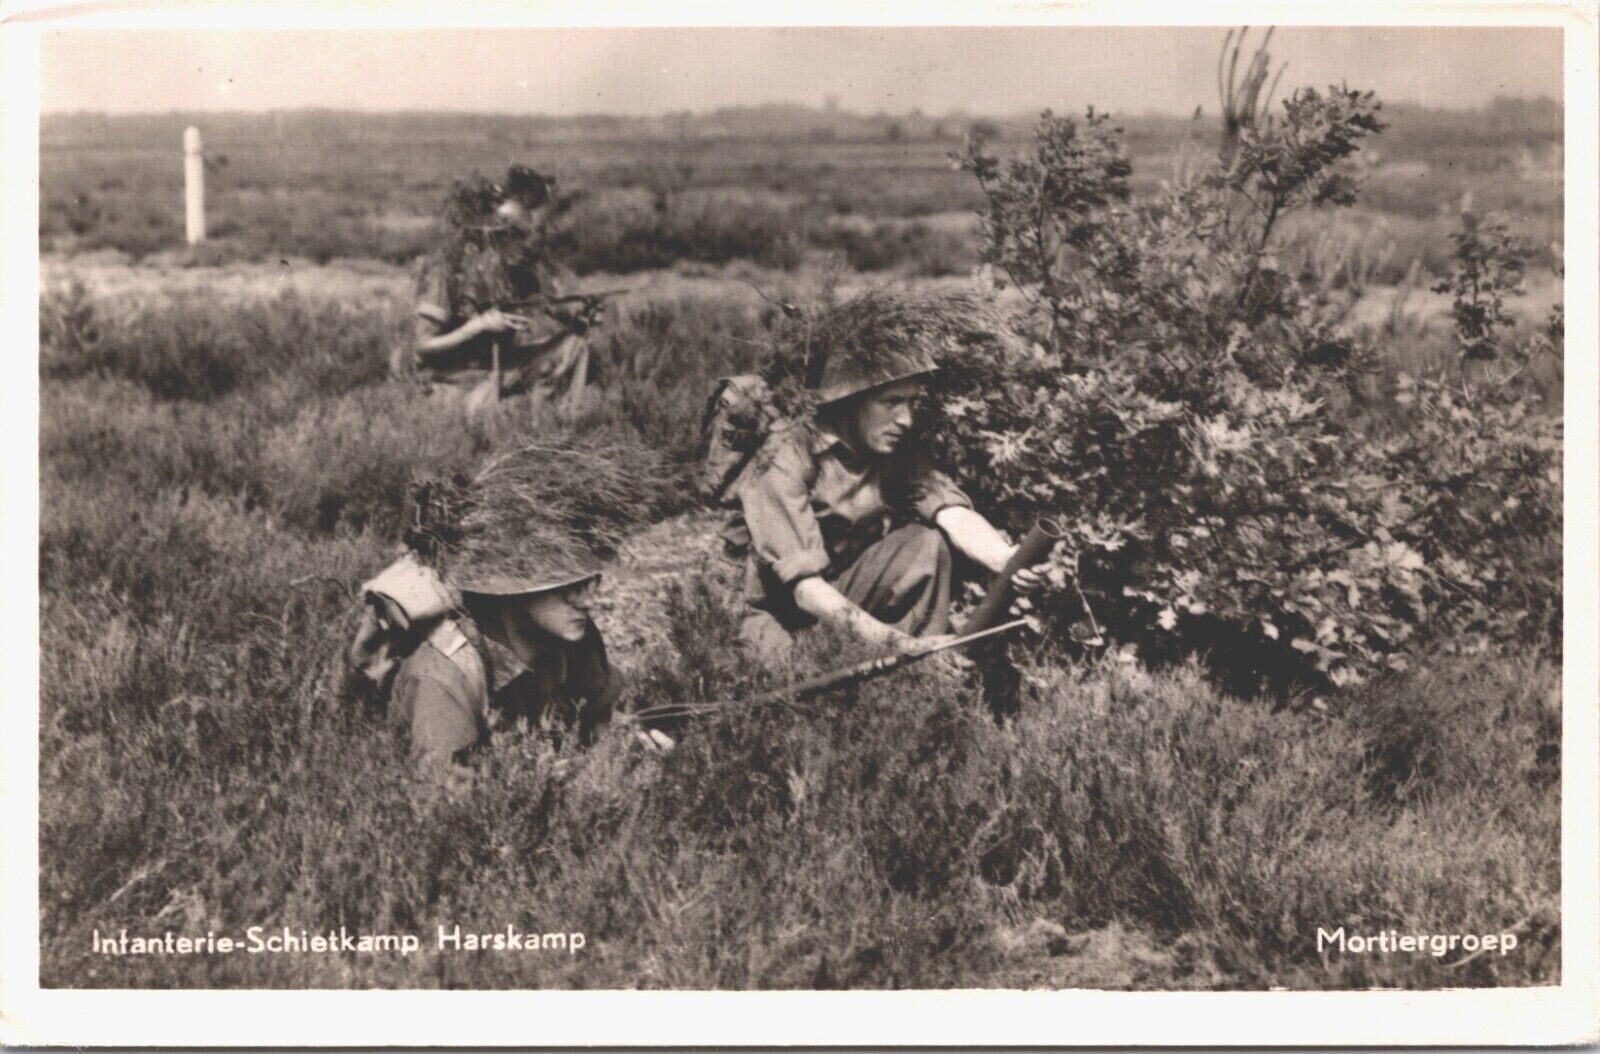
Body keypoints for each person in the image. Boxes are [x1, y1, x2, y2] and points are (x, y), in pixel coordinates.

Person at [731, 342, 1044, 662]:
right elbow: (805, 590)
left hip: (839, 595)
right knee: (785, 687)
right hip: (779, 613)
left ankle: (922, 675)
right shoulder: (785, 456)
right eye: (891, 402)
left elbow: (948, 509)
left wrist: (1004, 558)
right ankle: (907, 664)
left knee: (926, 544)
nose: (906, 418)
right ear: (850, 402)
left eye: (911, 402)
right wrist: (896, 644)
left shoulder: (889, 444)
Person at [345, 546, 619, 775]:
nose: (588, 600)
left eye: (591, 579)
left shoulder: (570, 635)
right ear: (514, 582)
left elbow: (603, 717)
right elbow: (447, 807)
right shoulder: (449, 672)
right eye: (568, 585)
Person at [392, 165, 597, 415]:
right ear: (492, 237)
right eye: (518, 236)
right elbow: (423, 346)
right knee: (480, 422)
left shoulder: (517, 271)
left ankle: (557, 428)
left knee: (573, 346)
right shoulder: (448, 273)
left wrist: (581, 320)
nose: (525, 244)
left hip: (496, 368)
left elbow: (555, 310)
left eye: (527, 236)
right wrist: (478, 326)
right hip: (451, 378)